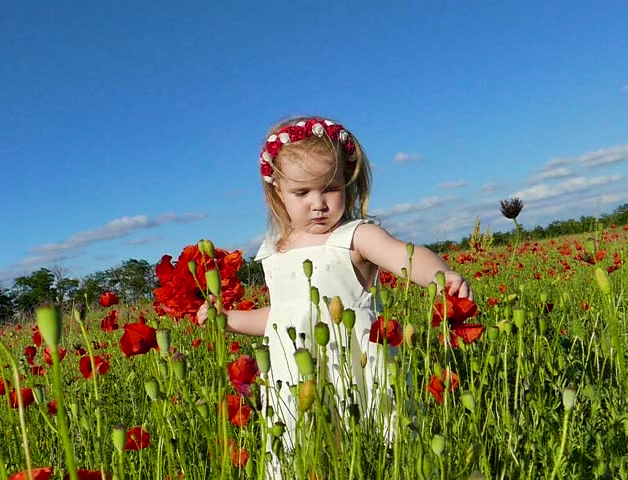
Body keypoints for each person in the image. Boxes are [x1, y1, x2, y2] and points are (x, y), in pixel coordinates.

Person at [197, 116, 472, 476]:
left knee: (378, 449)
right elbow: (282, 317)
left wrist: (440, 275)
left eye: (330, 188)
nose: (318, 203)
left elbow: (404, 254)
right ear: (276, 191)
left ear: (349, 184)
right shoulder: (274, 252)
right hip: (295, 376)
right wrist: (228, 319)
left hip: (357, 370)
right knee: (303, 455)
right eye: (302, 193)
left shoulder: (355, 236)